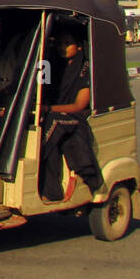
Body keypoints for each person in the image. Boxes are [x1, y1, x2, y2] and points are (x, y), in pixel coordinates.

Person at [38, 28, 104, 201]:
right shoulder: (55, 65)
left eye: (67, 43)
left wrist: (48, 109)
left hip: (77, 118)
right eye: (59, 43)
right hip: (57, 113)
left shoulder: (85, 69)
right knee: (45, 133)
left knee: (46, 134)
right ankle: (51, 191)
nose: (62, 47)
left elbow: (78, 105)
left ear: (79, 46)